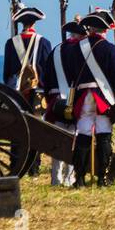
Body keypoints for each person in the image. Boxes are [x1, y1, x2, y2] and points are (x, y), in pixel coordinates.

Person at [68, 9, 115, 187]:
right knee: (104, 136)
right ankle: (102, 178)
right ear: (105, 29)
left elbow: (71, 73)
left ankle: (79, 178)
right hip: (103, 97)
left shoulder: (76, 48)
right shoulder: (109, 49)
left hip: (83, 96)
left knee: (83, 137)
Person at [39, 19, 85, 187]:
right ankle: (69, 177)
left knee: (58, 141)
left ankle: (55, 178)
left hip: (57, 100)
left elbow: (47, 77)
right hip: (77, 100)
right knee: (74, 140)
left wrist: (51, 98)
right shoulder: (82, 51)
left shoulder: (56, 50)